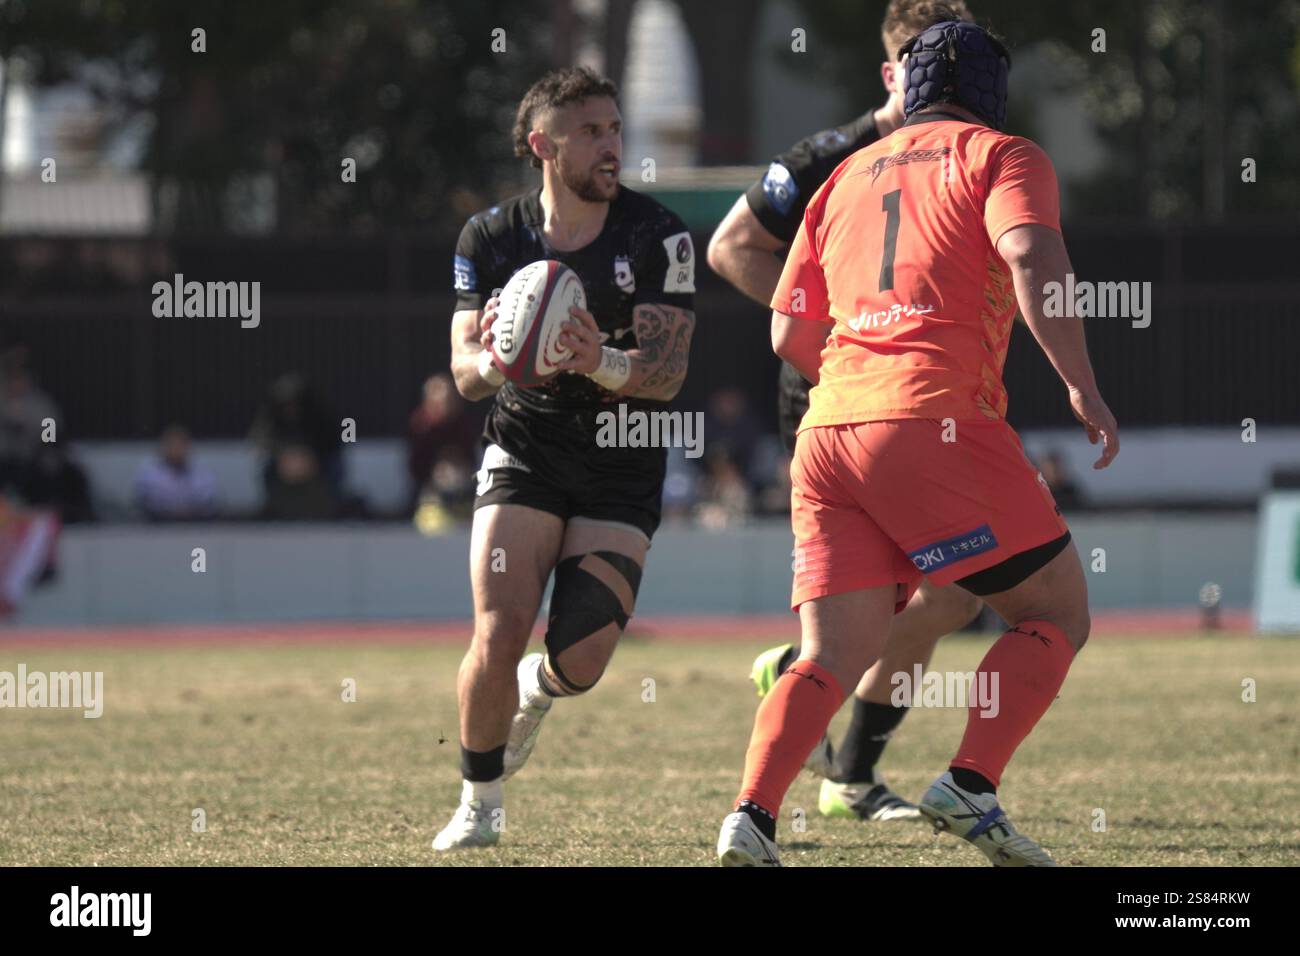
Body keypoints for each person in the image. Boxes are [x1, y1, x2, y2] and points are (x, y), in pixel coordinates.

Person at [715, 19, 1119, 867]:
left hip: (827, 432)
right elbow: (1034, 262)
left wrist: (865, 358)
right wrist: (1081, 383)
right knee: (1055, 611)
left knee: (832, 652)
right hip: (934, 419)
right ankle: (970, 783)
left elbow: (791, 331)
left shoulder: (847, 172)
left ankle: (750, 818)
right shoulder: (1004, 156)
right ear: (992, 93)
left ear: (909, 84)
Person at [707, 0, 982, 823]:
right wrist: (844, 333)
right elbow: (730, 247)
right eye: (941, 63)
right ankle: (846, 766)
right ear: (895, 73)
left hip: (927, 406)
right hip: (833, 405)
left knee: (951, 591)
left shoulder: (960, 153)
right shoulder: (829, 157)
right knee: (938, 585)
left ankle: (819, 699)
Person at [434, 67, 697, 851]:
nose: (611, 145)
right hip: (526, 445)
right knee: (498, 625)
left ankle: (541, 692)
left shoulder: (659, 234)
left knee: (582, 655)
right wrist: (505, 357)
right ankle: (480, 805)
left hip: (622, 452)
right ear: (543, 145)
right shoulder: (489, 236)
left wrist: (597, 361)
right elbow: (464, 372)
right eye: (591, 132)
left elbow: (668, 373)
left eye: (615, 128)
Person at [134, 425, 219, 521]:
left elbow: (209, 502)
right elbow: (148, 503)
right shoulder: (150, 474)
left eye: (181, 445)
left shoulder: (201, 474)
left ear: (188, 447)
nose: (177, 450)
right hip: (158, 527)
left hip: (195, 525)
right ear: (164, 447)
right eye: (172, 445)